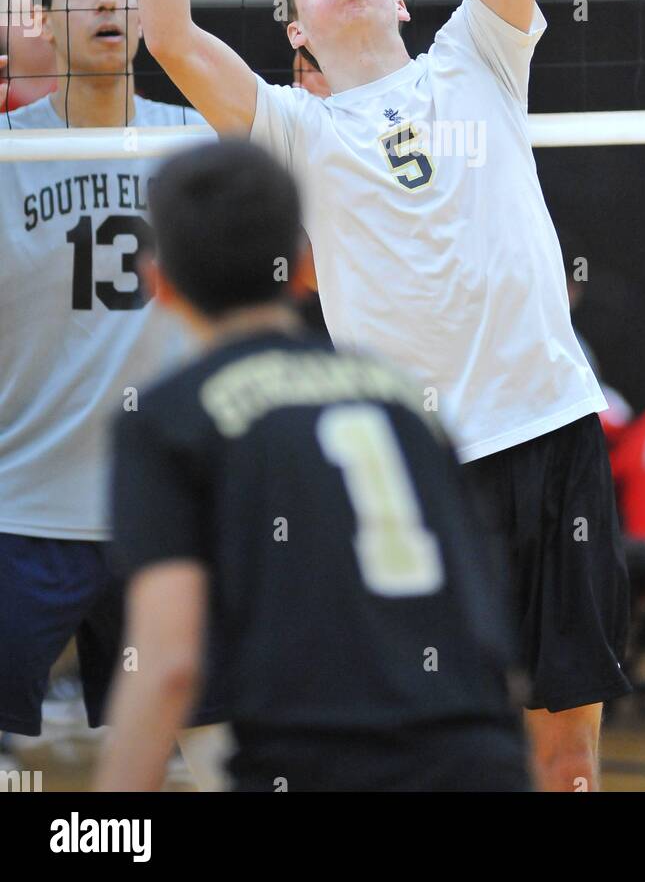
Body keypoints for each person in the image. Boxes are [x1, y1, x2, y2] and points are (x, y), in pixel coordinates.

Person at [94, 0, 630, 791]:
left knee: (567, 753)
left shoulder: (478, 56)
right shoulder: (295, 125)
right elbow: (172, 38)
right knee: (440, 741)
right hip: (423, 456)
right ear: (293, 27)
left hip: (553, 429)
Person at [95, 138, 530, 792]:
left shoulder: (166, 419)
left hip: (316, 764)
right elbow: (483, 610)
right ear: (303, 267)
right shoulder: (405, 399)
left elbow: (168, 664)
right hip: (480, 760)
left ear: (159, 284)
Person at [0, 0, 225, 786]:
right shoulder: (7, 152)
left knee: (217, 754)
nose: (104, 1)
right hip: (22, 510)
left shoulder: (200, 141)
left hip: (162, 515)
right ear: (46, 20)